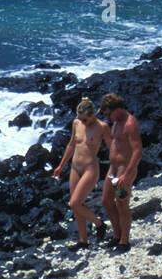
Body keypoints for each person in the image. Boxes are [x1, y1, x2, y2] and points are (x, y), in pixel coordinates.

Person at [52, 97, 111, 249]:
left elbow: (112, 148)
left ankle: (99, 224)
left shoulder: (102, 127)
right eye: (79, 118)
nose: (81, 121)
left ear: (92, 115)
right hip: (75, 168)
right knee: (77, 206)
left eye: (84, 119)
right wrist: (61, 165)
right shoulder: (76, 123)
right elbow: (71, 144)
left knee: (74, 203)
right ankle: (83, 240)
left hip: (90, 169)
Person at [100, 93, 141, 251]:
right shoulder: (116, 121)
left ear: (117, 109)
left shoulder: (130, 123)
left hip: (125, 169)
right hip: (113, 168)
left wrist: (126, 174)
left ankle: (124, 241)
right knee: (106, 200)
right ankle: (116, 236)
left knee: (122, 203)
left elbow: (137, 151)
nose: (107, 117)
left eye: (108, 113)